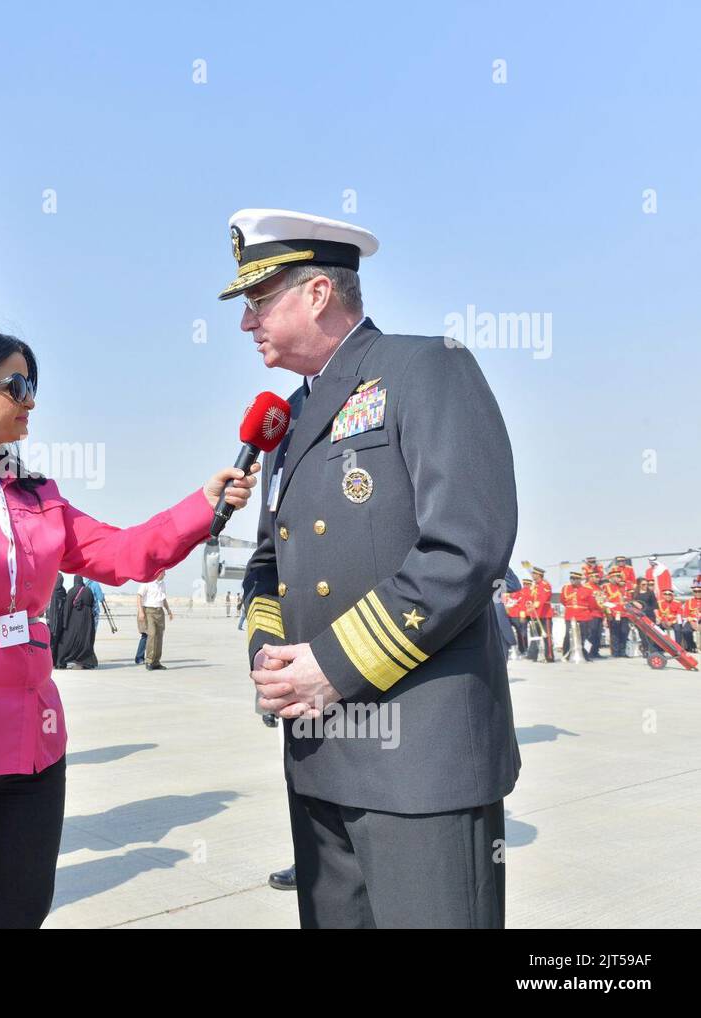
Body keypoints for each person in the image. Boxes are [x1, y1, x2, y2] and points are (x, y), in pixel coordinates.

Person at [0, 321, 257, 929]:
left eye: (32, 385)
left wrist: (200, 505)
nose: (31, 400)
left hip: (33, 729)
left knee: (19, 907)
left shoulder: (38, 497)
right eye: (17, 385)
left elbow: (122, 553)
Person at [232, 208, 520, 928]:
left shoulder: (425, 368)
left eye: (259, 300)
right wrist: (268, 656)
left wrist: (331, 664)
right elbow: (267, 565)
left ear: (319, 293)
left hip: (420, 759)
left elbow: (466, 546)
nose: (246, 323)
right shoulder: (288, 424)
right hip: (320, 751)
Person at [58, 575, 99, 669]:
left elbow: (67, 608)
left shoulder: (72, 591)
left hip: (74, 619)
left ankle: (64, 660)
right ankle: (86, 661)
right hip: (87, 620)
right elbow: (93, 604)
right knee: (86, 640)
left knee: (70, 639)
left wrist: (65, 623)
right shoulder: (88, 591)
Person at [136, 570, 174, 670]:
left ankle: (156, 662)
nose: (165, 574)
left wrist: (168, 610)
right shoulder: (147, 582)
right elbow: (139, 596)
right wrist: (140, 611)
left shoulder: (163, 584)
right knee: (151, 635)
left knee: (159, 636)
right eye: (163, 572)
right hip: (149, 611)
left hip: (159, 611)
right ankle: (149, 661)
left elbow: (163, 599)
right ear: (158, 573)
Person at [560, 570, 598, 660]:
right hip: (570, 615)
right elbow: (563, 600)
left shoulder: (587, 590)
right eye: (571, 578)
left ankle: (585, 655)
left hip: (583, 616)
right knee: (568, 635)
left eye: (575, 579)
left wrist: (586, 611)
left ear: (579, 580)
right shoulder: (566, 588)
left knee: (584, 636)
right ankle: (566, 654)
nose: (572, 580)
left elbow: (592, 604)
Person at [531, 566, 555, 662]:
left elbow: (544, 597)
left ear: (538, 575)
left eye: (534, 574)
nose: (532, 575)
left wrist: (536, 604)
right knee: (535, 635)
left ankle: (549, 656)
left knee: (547, 636)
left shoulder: (545, 585)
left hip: (545, 614)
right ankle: (534, 655)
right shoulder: (534, 586)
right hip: (536, 614)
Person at [48, 573, 68, 665]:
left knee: (52, 642)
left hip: (52, 621)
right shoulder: (63, 591)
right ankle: (56, 661)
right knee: (58, 641)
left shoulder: (52, 591)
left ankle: (51, 661)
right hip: (60, 620)